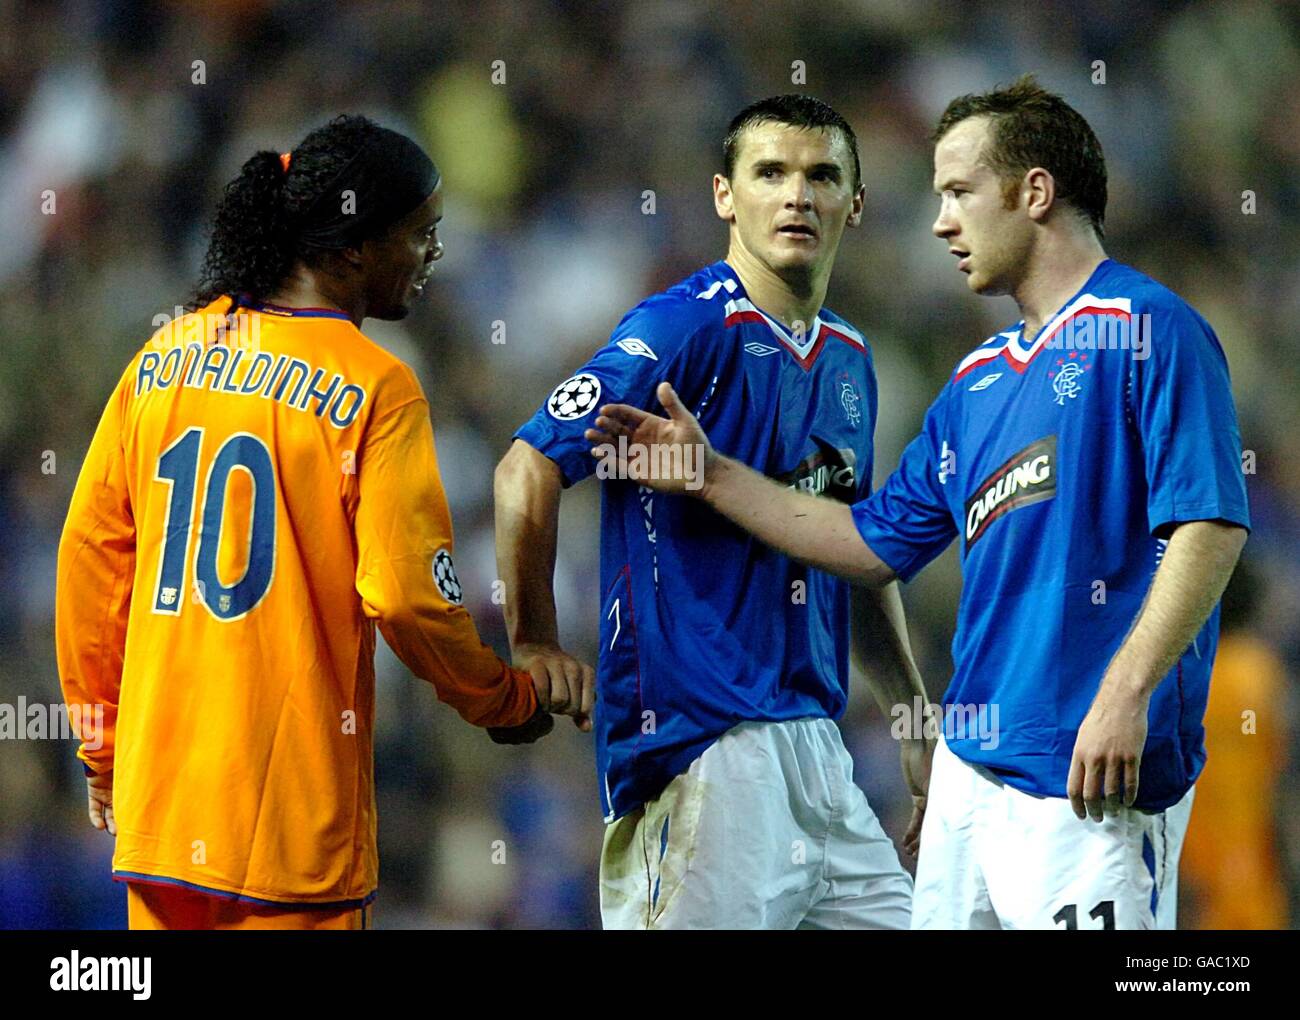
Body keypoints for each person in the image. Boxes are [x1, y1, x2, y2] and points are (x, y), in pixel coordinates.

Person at [585, 76, 1250, 930]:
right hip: (972, 788)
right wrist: (712, 474)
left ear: (1034, 192)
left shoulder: (1150, 328)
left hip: (1089, 775)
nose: (941, 221)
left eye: (960, 192)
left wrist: (1126, 692)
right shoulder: (977, 381)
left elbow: (1209, 525)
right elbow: (869, 545)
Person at [55, 114, 583, 931]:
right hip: (288, 831)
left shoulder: (163, 355)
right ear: (352, 250)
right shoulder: (377, 386)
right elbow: (408, 598)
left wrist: (101, 751)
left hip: (162, 819)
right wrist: (500, 699)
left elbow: (90, 564)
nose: (434, 254)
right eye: (421, 234)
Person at [495, 95, 929, 930]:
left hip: (819, 750)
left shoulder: (850, 357)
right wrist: (536, 640)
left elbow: (855, 547)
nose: (797, 195)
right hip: (704, 749)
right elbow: (526, 468)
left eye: (821, 176)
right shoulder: (683, 327)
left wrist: (911, 717)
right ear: (725, 195)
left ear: (855, 203)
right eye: (770, 173)